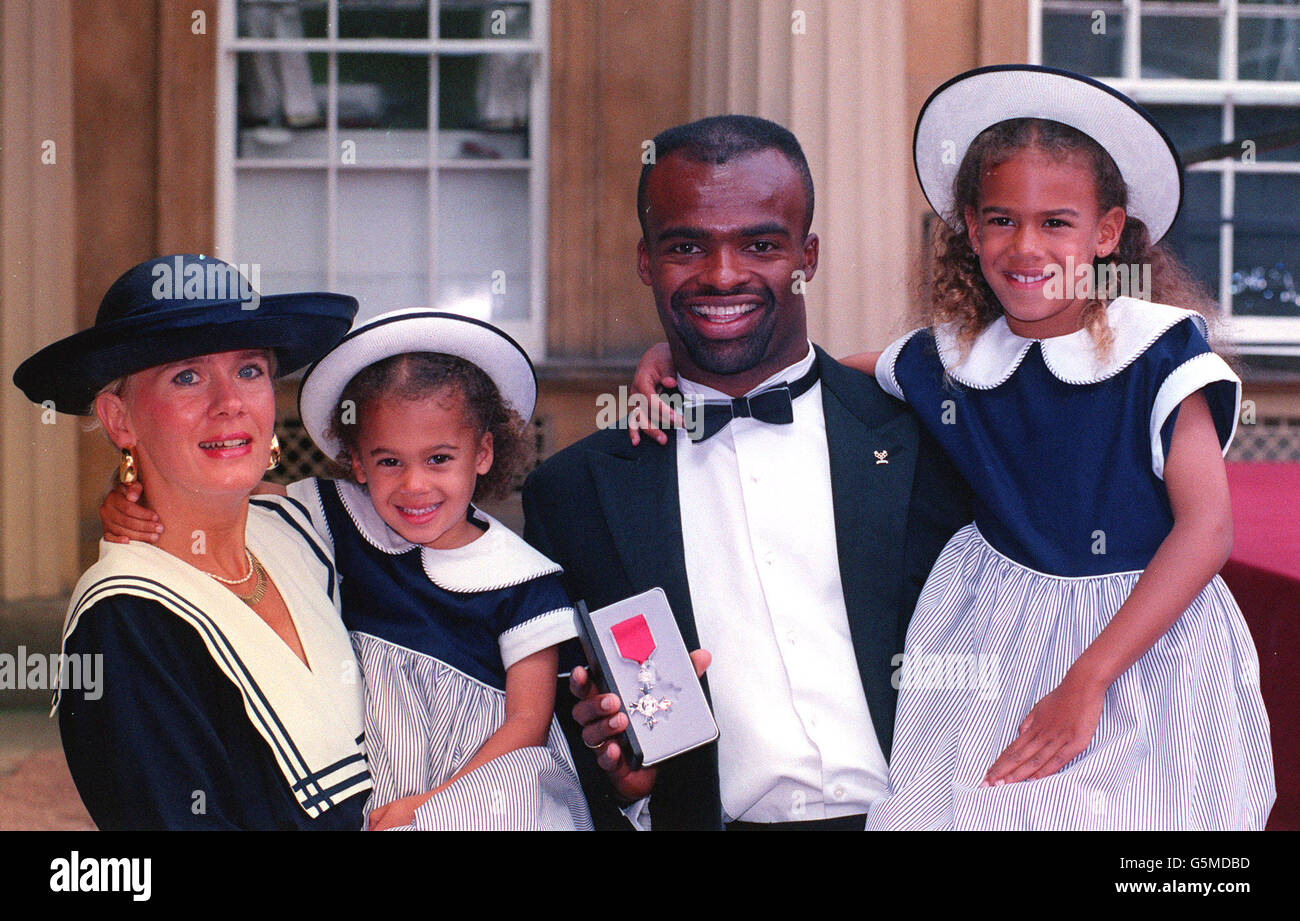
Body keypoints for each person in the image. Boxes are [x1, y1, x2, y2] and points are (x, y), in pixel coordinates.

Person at [633, 68, 1276, 829]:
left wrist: (1087, 680)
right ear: (970, 229)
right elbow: (816, 371)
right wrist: (681, 356)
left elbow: (1209, 530)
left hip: (1141, 643)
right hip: (990, 639)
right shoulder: (952, 358)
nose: (1025, 245)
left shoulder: (1156, 351)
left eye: (1056, 223)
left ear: (1107, 232)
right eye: (1001, 220)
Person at [521, 115, 972, 830]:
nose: (722, 274)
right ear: (647, 262)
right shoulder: (574, 494)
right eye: (686, 246)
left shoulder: (932, 435)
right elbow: (578, 754)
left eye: (760, 244)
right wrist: (634, 789)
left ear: (807, 256)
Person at [106, 309, 594, 830]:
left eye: (439, 459)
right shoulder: (343, 518)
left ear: (483, 452)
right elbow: (219, 489)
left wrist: (432, 806)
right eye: (388, 462)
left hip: (494, 791)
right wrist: (122, 494)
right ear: (357, 463)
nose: (414, 486)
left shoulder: (524, 579)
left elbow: (527, 724)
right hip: (385, 783)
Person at [12, 254, 369, 829]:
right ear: (119, 420)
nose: (230, 401)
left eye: (250, 370)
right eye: (187, 376)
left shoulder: (304, 532)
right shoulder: (125, 622)